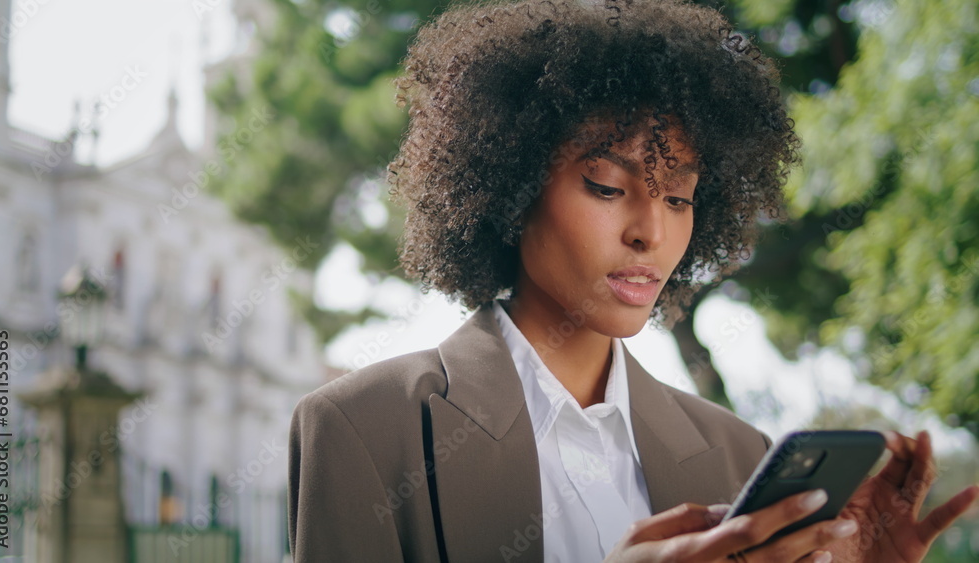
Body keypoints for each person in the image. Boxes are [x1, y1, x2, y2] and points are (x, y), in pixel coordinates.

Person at [286, 0, 979, 561]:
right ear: (511, 187)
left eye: (679, 198)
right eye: (606, 186)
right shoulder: (363, 432)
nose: (651, 230)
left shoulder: (741, 456)